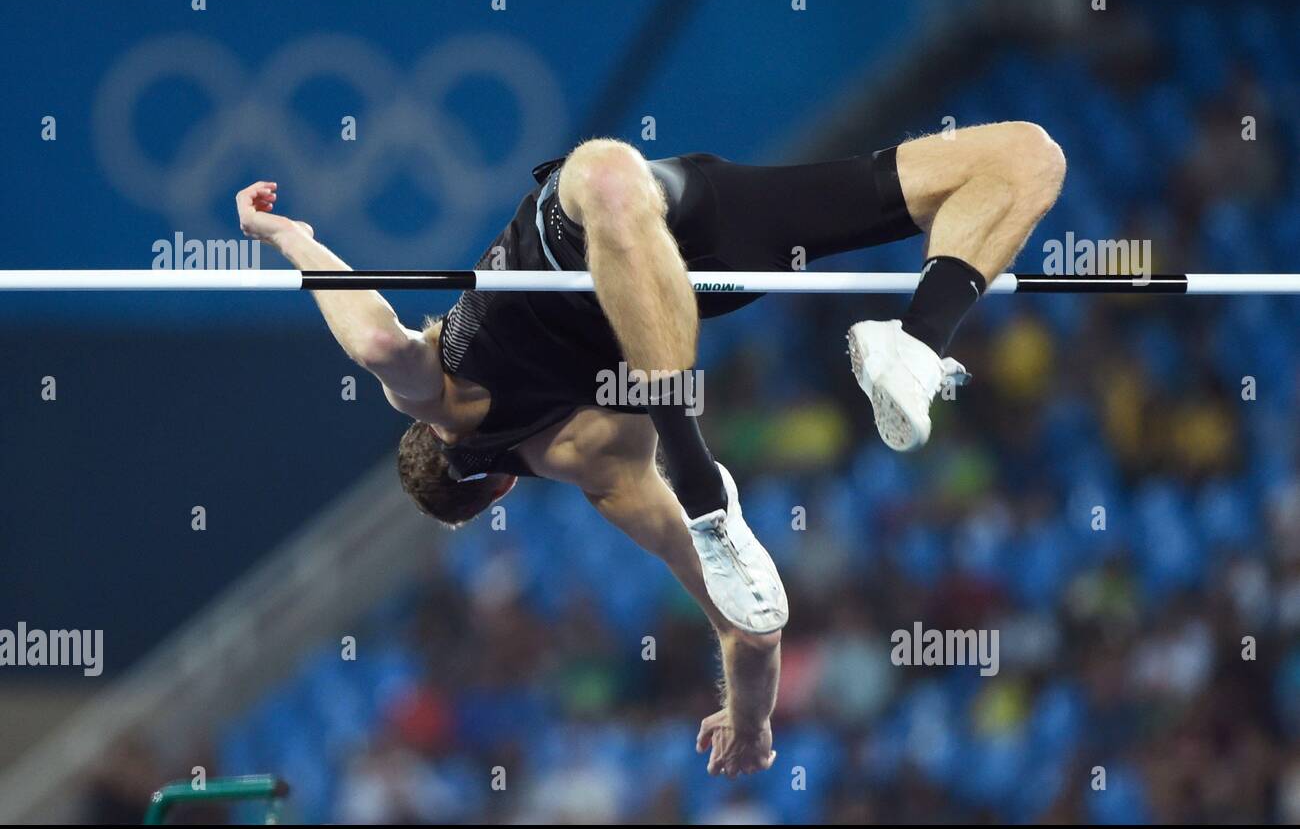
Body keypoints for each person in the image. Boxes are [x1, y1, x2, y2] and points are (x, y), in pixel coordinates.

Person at [233, 121, 1063, 776]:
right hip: (667, 222)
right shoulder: (444, 399)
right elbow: (377, 343)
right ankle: (711, 482)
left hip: (694, 230)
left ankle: (913, 347)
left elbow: (754, 626)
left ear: (497, 495)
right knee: (1030, 156)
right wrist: (285, 235)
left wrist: (751, 720)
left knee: (1022, 157)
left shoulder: (601, 473)